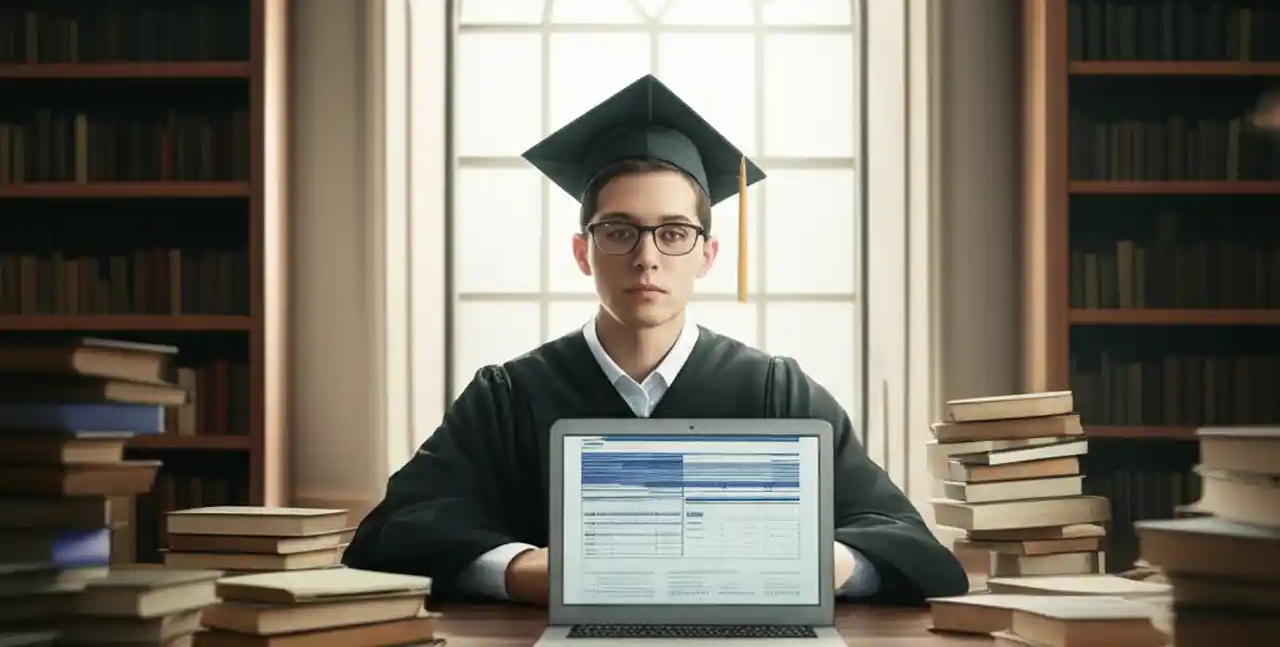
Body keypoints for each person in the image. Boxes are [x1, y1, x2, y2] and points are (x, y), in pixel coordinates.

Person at [342, 74, 969, 606]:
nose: (647, 258)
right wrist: (528, 571)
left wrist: (820, 565)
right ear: (583, 253)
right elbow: (390, 535)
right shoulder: (509, 396)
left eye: (673, 233)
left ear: (708, 254)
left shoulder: (777, 392)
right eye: (619, 232)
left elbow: (910, 546)